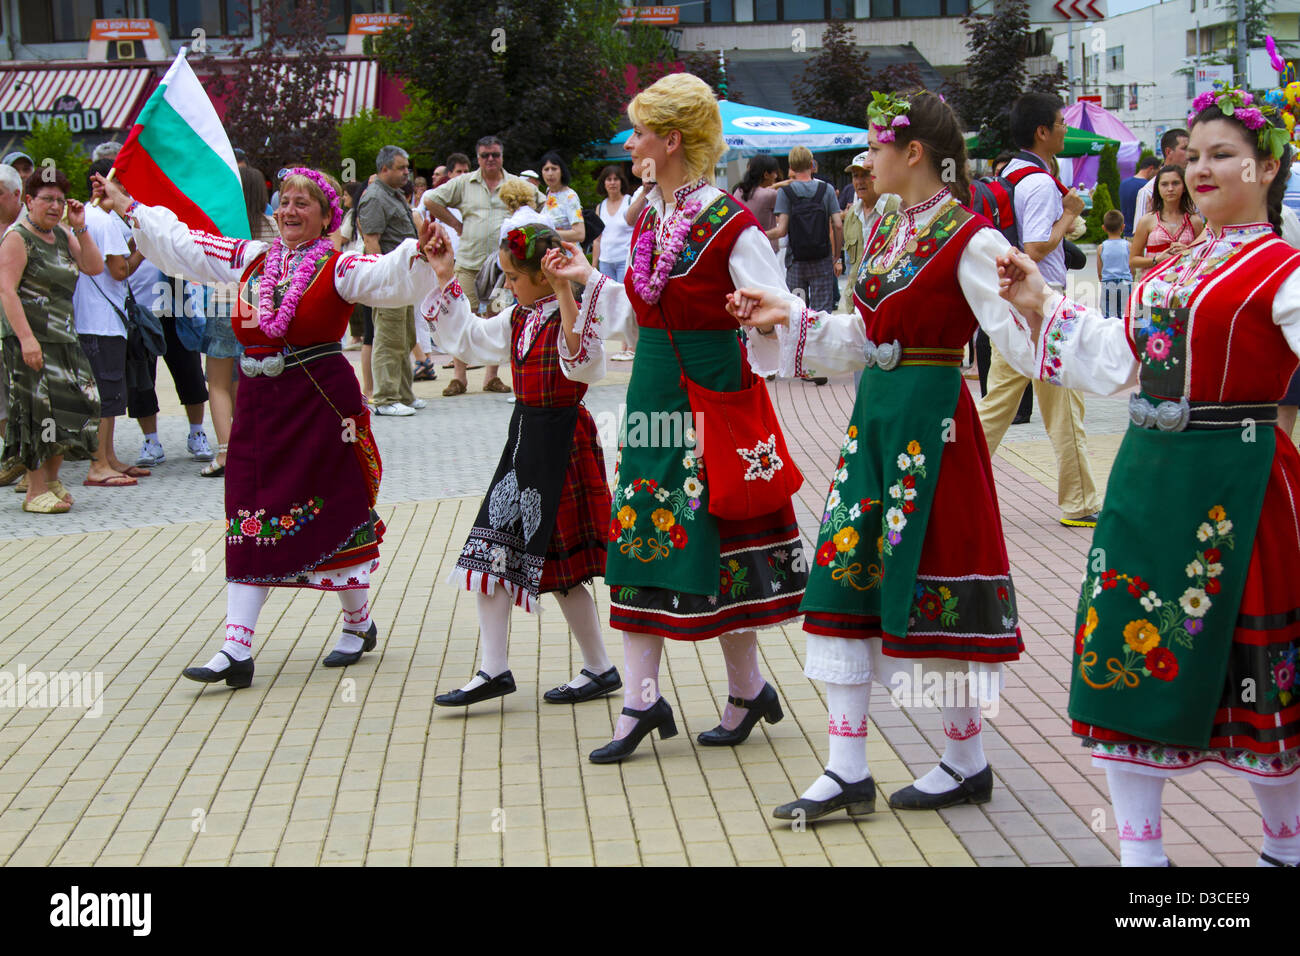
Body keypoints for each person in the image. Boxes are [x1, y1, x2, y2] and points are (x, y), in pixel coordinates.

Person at [995, 86, 1300, 868]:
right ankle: (1142, 861)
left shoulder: (1284, 269)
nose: (1199, 168)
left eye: (1222, 154)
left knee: (1258, 667)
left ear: (1267, 168)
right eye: (1192, 154)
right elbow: (1122, 355)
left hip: (1239, 480)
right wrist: (1039, 299)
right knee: (1127, 655)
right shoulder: (1180, 262)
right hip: (1147, 476)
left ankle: (1282, 850)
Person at [729, 91, 1038, 820]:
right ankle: (846, 767)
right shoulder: (892, 226)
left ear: (915, 153)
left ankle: (965, 758)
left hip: (932, 424)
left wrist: (1044, 312)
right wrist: (790, 316)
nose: (867, 162)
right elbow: (865, 334)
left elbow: (1023, 329)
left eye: (878, 148)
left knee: (937, 587)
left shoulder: (970, 236)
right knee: (844, 576)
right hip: (879, 415)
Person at [544, 73, 810, 764]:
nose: (629, 144)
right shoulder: (650, 218)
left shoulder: (729, 222)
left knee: (715, 529)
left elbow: (776, 309)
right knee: (643, 526)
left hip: (710, 386)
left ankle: (745, 688)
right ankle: (643, 697)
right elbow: (638, 309)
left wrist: (753, 325)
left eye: (638, 132)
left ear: (670, 140)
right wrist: (586, 279)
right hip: (655, 387)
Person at [97, 166, 440, 687]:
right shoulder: (251, 259)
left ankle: (355, 622)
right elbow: (185, 244)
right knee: (249, 512)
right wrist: (128, 205)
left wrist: (421, 250)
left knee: (336, 508)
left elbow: (390, 276)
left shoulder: (340, 266)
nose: (288, 211)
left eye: (303, 204)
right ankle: (237, 647)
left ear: (327, 217)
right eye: (283, 202)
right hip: (259, 405)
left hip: (320, 402)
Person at [420, 222, 620, 706]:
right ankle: (495, 669)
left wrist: (563, 290)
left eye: (512, 277)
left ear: (539, 275)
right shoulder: (519, 318)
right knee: (491, 550)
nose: (507, 285)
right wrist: (446, 275)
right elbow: (467, 339)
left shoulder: (567, 314)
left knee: (561, 570)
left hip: (562, 444)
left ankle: (600, 667)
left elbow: (585, 362)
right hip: (524, 441)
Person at [975, 92, 1102, 529]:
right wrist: (1069, 216)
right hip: (1041, 307)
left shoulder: (1008, 173)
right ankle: (1080, 502)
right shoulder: (1041, 183)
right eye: (1061, 122)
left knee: (996, 406)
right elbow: (1035, 246)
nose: (1067, 129)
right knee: (1065, 407)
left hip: (1009, 304)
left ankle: (946, 482)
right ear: (1042, 132)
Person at [0, 170, 104, 513]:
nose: (55, 205)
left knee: (77, 405)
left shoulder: (60, 234)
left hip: (64, 336)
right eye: (47, 198)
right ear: (28, 201)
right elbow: (6, 291)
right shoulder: (17, 238)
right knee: (37, 412)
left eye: (60, 200)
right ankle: (34, 489)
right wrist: (27, 339)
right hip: (30, 339)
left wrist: (79, 226)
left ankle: (53, 478)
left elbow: (93, 266)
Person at [426, 137, 541, 397]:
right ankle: (459, 378)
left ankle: (492, 377)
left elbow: (541, 201)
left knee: (497, 318)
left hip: (503, 270)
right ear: (477, 158)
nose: (491, 159)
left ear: (502, 156)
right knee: (458, 316)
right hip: (468, 262)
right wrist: (454, 224)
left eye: (495, 155)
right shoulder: (464, 183)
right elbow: (431, 199)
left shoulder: (514, 184)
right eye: (485, 155)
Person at [196, 166, 276, 479]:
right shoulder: (273, 225)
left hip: (225, 304)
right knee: (250, 379)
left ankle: (225, 452)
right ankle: (254, 447)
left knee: (217, 382)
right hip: (261, 308)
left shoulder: (223, 226)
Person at [75, 159, 147, 488]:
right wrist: (146, 249)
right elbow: (120, 270)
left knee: (110, 395)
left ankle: (108, 456)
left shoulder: (88, 217)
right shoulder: (102, 222)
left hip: (91, 319)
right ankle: (99, 464)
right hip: (102, 322)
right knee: (106, 396)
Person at [359, 145, 426, 418]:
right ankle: (385, 398)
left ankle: (404, 395)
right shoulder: (375, 197)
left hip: (403, 279)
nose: (406, 172)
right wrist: (382, 279)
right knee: (388, 338)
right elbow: (371, 242)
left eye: (406, 167)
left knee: (405, 336)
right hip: (389, 280)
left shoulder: (393, 194)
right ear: (384, 169)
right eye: (400, 168)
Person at [767, 145, 843, 314]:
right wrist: (837, 256)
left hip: (796, 262)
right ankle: (819, 340)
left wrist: (761, 234)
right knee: (822, 314)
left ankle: (801, 341)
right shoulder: (827, 189)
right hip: (822, 261)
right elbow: (838, 224)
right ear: (811, 165)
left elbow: (781, 231)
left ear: (791, 167)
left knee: (797, 312)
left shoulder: (785, 192)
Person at [839, 150, 900, 311]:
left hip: (886, 302)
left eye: (865, 174)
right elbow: (852, 265)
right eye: (855, 176)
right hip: (856, 302)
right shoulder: (852, 215)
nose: (859, 181)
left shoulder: (898, 209)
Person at [0, 164, 27, 488]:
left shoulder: (31, 226)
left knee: (27, 396)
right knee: (3, 397)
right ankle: (14, 456)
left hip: (24, 327)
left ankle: (32, 464)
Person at [1129, 164, 1205, 276]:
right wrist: (1156, 260)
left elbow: (1204, 256)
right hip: (1153, 285)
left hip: (1184, 284)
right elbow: (1133, 260)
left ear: (1184, 187)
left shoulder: (1194, 221)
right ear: (1158, 188)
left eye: (1175, 183)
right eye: (1164, 184)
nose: (1170, 189)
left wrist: (1189, 251)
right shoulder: (1147, 220)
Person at [1134, 129, 1190, 223]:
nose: (1189, 153)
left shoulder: (1192, 186)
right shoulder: (1148, 191)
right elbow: (1139, 233)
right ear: (1168, 152)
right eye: (1185, 148)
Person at [732, 154, 783, 255]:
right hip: (765, 248)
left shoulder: (739, 191)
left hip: (742, 247)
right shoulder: (770, 195)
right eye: (774, 173)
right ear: (766, 175)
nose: (776, 176)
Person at [592, 164, 635, 280]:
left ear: (621, 182)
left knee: (623, 296)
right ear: (604, 183)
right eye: (609, 179)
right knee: (608, 297)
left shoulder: (630, 202)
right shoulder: (600, 207)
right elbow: (597, 239)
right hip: (605, 262)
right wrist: (594, 266)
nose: (612, 183)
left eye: (616, 179)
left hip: (625, 260)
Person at [538, 152, 585, 245]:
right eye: (546, 169)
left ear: (562, 171)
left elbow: (580, 234)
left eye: (554, 169)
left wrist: (547, 234)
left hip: (568, 255)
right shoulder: (549, 192)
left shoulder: (570, 197)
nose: (550, 173)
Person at [1097, 209, 1132, 319]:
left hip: (1108, 282)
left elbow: (1099, 271)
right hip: (1125, 281)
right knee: (1125, 313)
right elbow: (1132, 267)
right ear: (1123, 227)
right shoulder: (1128, 246)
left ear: (1104, 228)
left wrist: (1102, 280)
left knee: (1108, 315)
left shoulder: (1101, 247)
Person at [1119, 155, 1160, 237]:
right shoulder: (1147, 187)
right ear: (1151, 168)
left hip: (1126, 232)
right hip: (1140, 234)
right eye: (1157, 172)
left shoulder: (1124, 183)